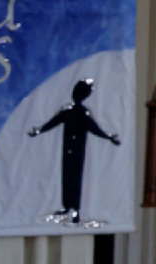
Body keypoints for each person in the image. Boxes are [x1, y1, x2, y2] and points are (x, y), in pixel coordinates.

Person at [28, 78, 120, 226]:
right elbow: (54, 122)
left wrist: (108, 137)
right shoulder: (77, 112)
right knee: (71, 177)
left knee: (72, 177)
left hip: (74, 149)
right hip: (73, 149)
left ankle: (74, 208)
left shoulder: (76, 112)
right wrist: (109, 137)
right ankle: (69, 207)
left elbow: (93, 128)